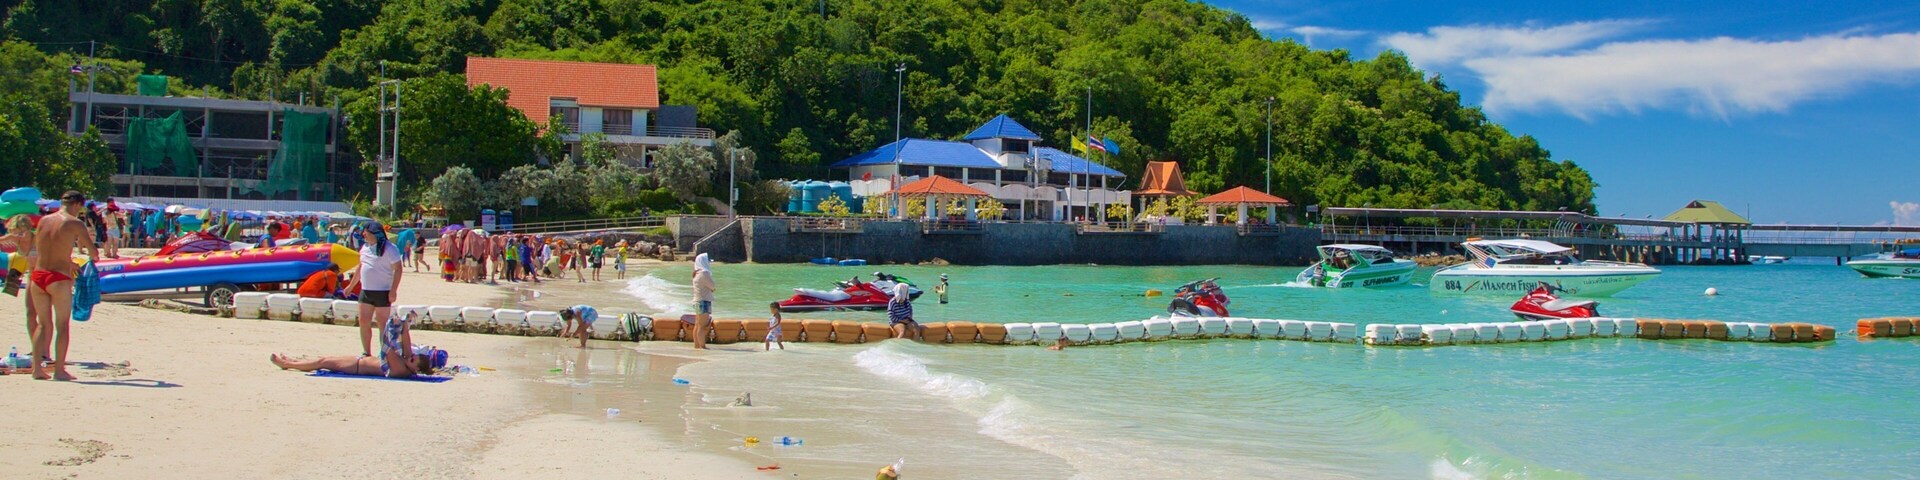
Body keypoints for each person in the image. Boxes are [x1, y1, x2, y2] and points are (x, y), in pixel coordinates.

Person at [28, 191, 100, 381]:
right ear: (77, 204)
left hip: (38, 276)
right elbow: (93, 252)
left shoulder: (44, 220)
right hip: (58, 278)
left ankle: (37, 369)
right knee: (62, 326)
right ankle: (59, 370)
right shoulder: (74, 223)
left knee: (42, 325)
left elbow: (45, 249)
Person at [271, 312, 446, 378]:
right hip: (359, 361)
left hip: (356, 367)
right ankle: (292, 361)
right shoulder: (407, 363)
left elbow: (387, 347)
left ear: (415, 369)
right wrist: (405, 324)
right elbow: (406, 341)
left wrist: (394, 327)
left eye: (414, 359)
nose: (412, 356)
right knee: (322, 360)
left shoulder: (401, 369)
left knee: (323, 361)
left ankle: (287, 364)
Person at [354, 223, 405, 357]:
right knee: (363, 321)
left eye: (366, 232)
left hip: (383, 291)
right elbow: (360, 267)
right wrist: (351, 286)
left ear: (375, 233)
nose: (363, 234)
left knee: (382, 324)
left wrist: (393, 290)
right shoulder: (364, 248)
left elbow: (398, 269)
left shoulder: (390, 249)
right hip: (365, 291)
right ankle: (366, 352)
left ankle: (384, 353)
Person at [691, 253, 715, 350]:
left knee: (697, 324)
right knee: (702, 326)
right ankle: (702, 346)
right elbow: (713, 287)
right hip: (704, 301)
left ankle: (697, 345)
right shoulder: (704, 273)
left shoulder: (696, 273)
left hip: (697, 300)